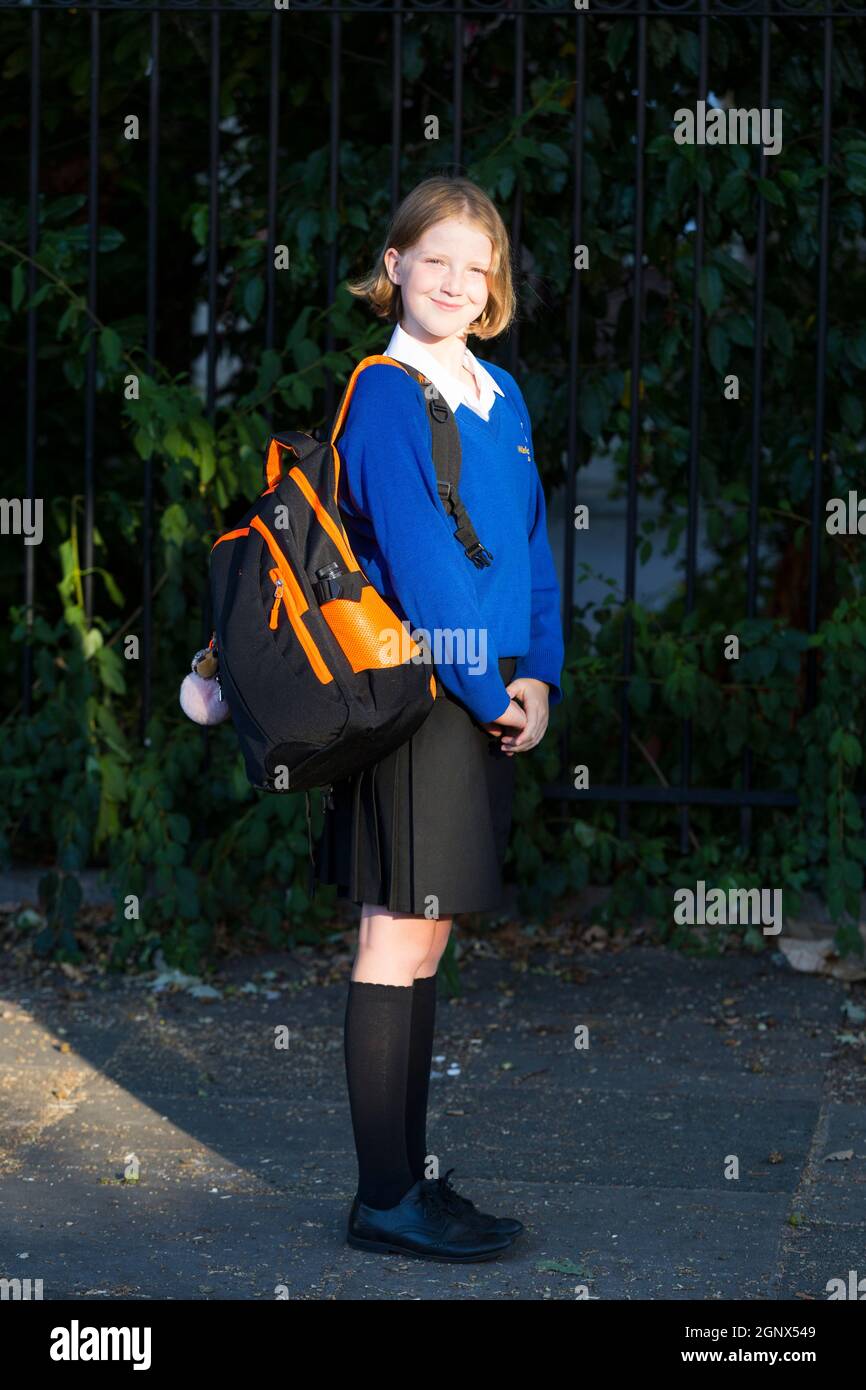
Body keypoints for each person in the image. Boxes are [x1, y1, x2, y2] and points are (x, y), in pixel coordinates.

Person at [313, 174, 565, 1262]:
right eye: (437, 260)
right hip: (424, 694)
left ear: (494, 286)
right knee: (393, 933)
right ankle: (383, 1199)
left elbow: (534, 547)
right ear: (397, 266)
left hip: (492, 689)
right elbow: (419, 569)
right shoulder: (383, 392)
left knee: (427, 940)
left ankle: (405, 1182)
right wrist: (483, 688)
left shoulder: (499, 396)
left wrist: (539, 678)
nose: (457, 282)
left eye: (479, 266)